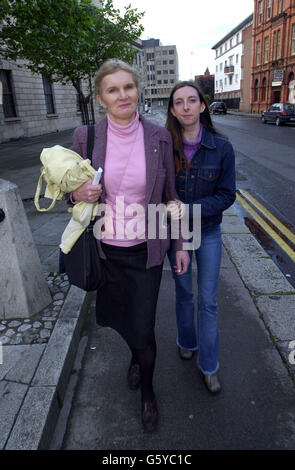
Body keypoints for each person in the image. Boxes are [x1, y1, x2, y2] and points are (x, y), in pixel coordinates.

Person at [69, 59, 190, 432]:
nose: (123, 95)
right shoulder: (85, 137)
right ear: (101, 98)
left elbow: (172, 196)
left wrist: (182, 244)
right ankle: (135, 358)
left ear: (137, 90)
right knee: (121, 321)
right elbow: (69, 198)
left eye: (128, 87)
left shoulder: (159, 136)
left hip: (146, 251)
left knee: (143, 327)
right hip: (106, 250)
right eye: (113, 89)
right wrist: (77, 193)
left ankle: (148, 393)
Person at [166, 81, 236, 393]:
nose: (186, 107)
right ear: (172, 109)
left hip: (207, 231)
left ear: (202, 106)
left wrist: (190, 208)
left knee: (207, 301)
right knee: (184, 293)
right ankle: (186, 340)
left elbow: (226, 196)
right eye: (179, 102)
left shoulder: (222, 147)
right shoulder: (164, 145)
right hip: (175, 234)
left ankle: (209, 366)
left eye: (192, 100)